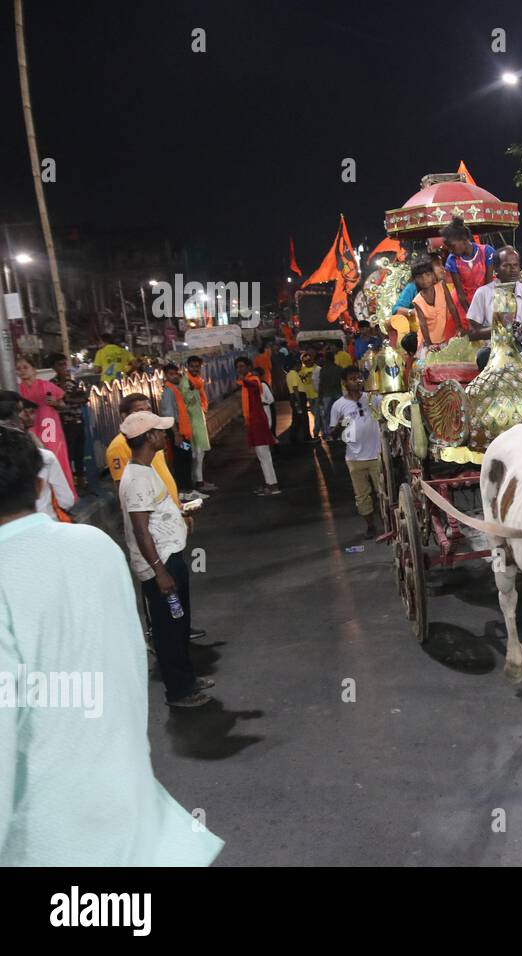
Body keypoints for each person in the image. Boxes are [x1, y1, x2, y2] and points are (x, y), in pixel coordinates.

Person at [0, 425, 224, 863]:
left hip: (46, 842)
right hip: (130, 814)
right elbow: (126, 664)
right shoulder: (93, 547)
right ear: (41, 485)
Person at [117, 410, 213, 708]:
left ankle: (187, 679)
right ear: (149, 438)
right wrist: (160, 572)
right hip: (161, 567)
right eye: (159, 431)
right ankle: (180, 691)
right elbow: (140, 530)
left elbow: (154, 517)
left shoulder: (147, 470)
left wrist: (181, 515)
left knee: (179, 623)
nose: (164, 434)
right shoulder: (135, 479)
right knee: (169, 628)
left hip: (169, 560)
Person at [329, 366, 384, 539]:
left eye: (360, 377)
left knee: (383, 492)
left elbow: (388, 411)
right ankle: (370, 526)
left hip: (376, 455)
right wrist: (341, 425)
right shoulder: (338, 405)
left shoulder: (373, 399)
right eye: (353, 378)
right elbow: (333, 433)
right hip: (354, 458)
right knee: (362, 496)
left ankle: (389, 522)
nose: (358, 381)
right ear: (344, 383)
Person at [15, 354, 75, 495]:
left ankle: (63, 496)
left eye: (25, 367)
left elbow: (63, 404)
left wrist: (55, 403)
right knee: (35, 462)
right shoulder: (17, 390)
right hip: (30, 430)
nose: (22, 371)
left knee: (56, 460)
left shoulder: (46, 385)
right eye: (18, 369)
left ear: (33, 369)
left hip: (50, 429)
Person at [106, 393, 181, 507]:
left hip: (170, 509)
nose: (147, 414)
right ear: (124, 416)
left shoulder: (153, 438)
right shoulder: (118, 446)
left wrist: (178, 506)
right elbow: (125, 491)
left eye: (148, 410)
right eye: (140, 411)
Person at [464, 246, 522, 340]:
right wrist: (502, 329)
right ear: (496, 269)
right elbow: (473, 333)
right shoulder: (483, 293)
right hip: (493, 350)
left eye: (515, 265)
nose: (513, 269)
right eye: (506, 265)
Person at [235, 357, 280, 496]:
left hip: (259, 422)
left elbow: (252, 385)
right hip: (254, 422)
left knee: (264, 456)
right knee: (263, 456)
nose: (240, 369)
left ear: (249, 367)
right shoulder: (247, 382)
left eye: (242, 366)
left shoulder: (253, 380)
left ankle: (272, 486)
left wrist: (243, 378)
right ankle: (270, 484)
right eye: (238, 367)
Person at [47, 353, 89, 487]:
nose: (64, 367)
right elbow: (51, 403)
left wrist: (65, 401)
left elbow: (83, 399)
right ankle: (70, 481)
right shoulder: (51, 385)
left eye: (65, 364)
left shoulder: (72, 382)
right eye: (60, 364)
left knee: (79, 452)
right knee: (68, 454)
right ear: (53, 367)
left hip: (77, 421)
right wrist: (67, 401)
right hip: (63, 424)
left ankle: (81, 479)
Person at [158, 363, 198, 500]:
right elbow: (168, 415)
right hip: (177, 432)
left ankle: (187, 488)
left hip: (181, 431)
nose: (174, 376)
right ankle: (184, 490)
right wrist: (176, 434)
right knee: (181, 458)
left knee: (186, 456)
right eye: (171, 374)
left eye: (175, 373)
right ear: (166, 376)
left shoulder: (176, 389)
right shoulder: (168, 392)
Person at [441, 215, 496, 308]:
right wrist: (470, 315)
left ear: (464, 240)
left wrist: (485, 310)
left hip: (491, 297)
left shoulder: (487, 251)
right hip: (467, 303)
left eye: (452, 246)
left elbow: (489, 283)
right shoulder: (452, 260)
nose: (450, 250)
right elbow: (460, 294)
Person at [181, 355, 216, 492]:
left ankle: (198, 481)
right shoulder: (186, 382)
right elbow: (185, 402)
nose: (195, 369)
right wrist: (191, 391)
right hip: (190, 423)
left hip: (197, 420)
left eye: (197, 366)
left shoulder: (196, 381)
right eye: (192, 366)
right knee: (196, 453)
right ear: (187, 367)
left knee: (198, 453)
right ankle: (197, 483)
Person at [318, 341, 346, 438]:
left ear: (326, 359)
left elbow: (321, 384)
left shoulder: (323, 369)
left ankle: (328, 433)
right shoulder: (338, 369)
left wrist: (320, 397)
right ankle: (339, 433)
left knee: (327, 415)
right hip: (338, 393)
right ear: (333, 359)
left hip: (327, 394)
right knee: (339, 415)